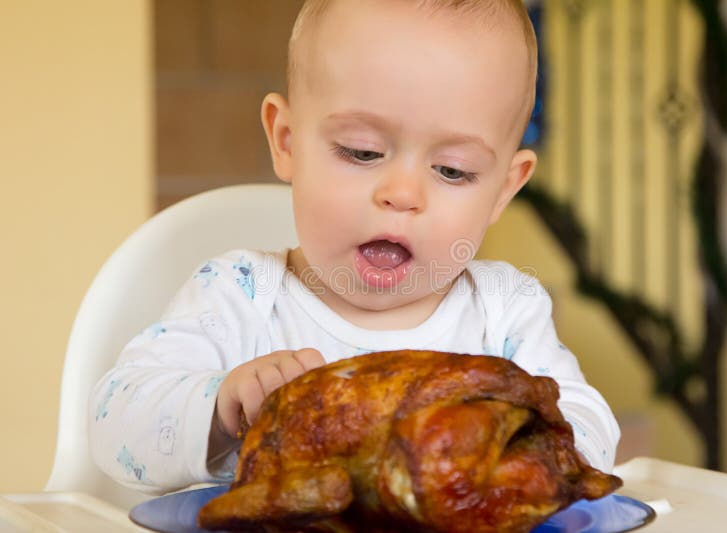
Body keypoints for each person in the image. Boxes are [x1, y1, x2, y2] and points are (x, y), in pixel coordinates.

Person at [90, 0, 620, 493]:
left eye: (452, 170)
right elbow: (114, 422)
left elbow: (586, 425)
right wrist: (222, 404)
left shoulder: (505, 313)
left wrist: (514, 456)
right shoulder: (239, 298)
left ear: (504, 188)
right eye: (362, 152)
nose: (402, 194)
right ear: (287, 142)